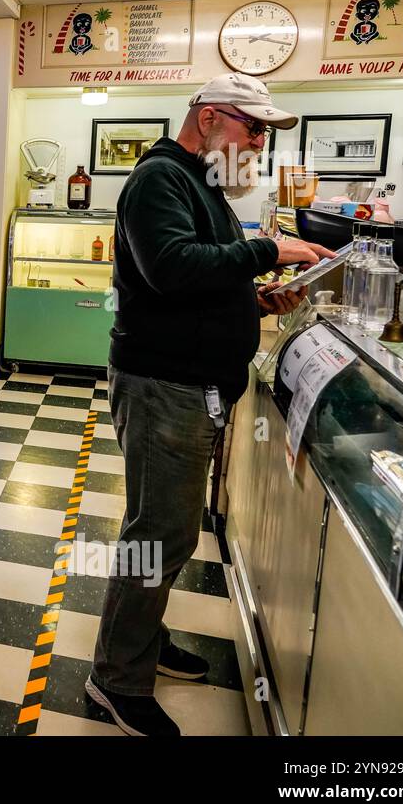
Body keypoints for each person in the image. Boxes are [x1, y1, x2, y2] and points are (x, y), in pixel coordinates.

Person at [86, 73, 335, 736]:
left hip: (188, 385)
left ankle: (142, 640)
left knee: (167, 531)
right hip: (162, 386)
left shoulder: (203, 185)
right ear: (211, 119)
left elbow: (197, 283)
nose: (258, 142)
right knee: (157, 533)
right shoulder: (159, 179)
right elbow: (171, 266)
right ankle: (115, 680)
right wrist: (266, 251)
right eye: (253, 128)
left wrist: (252, 297)